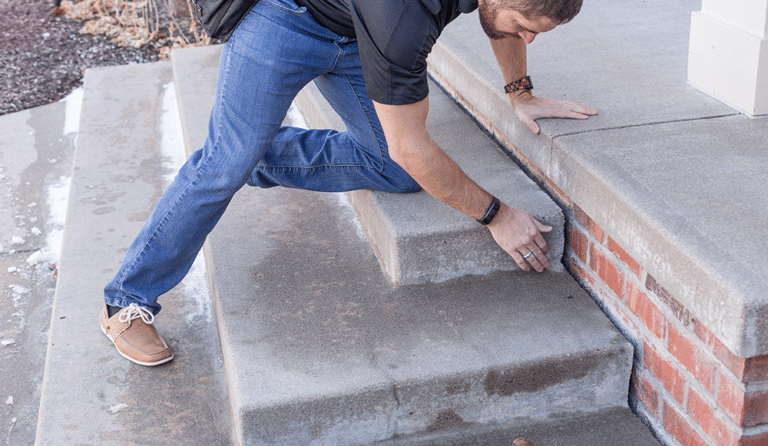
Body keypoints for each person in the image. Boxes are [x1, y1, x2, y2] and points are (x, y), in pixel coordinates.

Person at [99, 0, 598, 366]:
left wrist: (520, 92)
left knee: (394, 172)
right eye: (526, 28)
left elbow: (503, 22)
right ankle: (126, 299)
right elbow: (413, 145)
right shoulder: (404, 22)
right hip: (284, 19)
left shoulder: (469, 10)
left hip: (357, 31)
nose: (527, 39)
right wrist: (499, 215)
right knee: (222, 168)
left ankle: (248, 157)